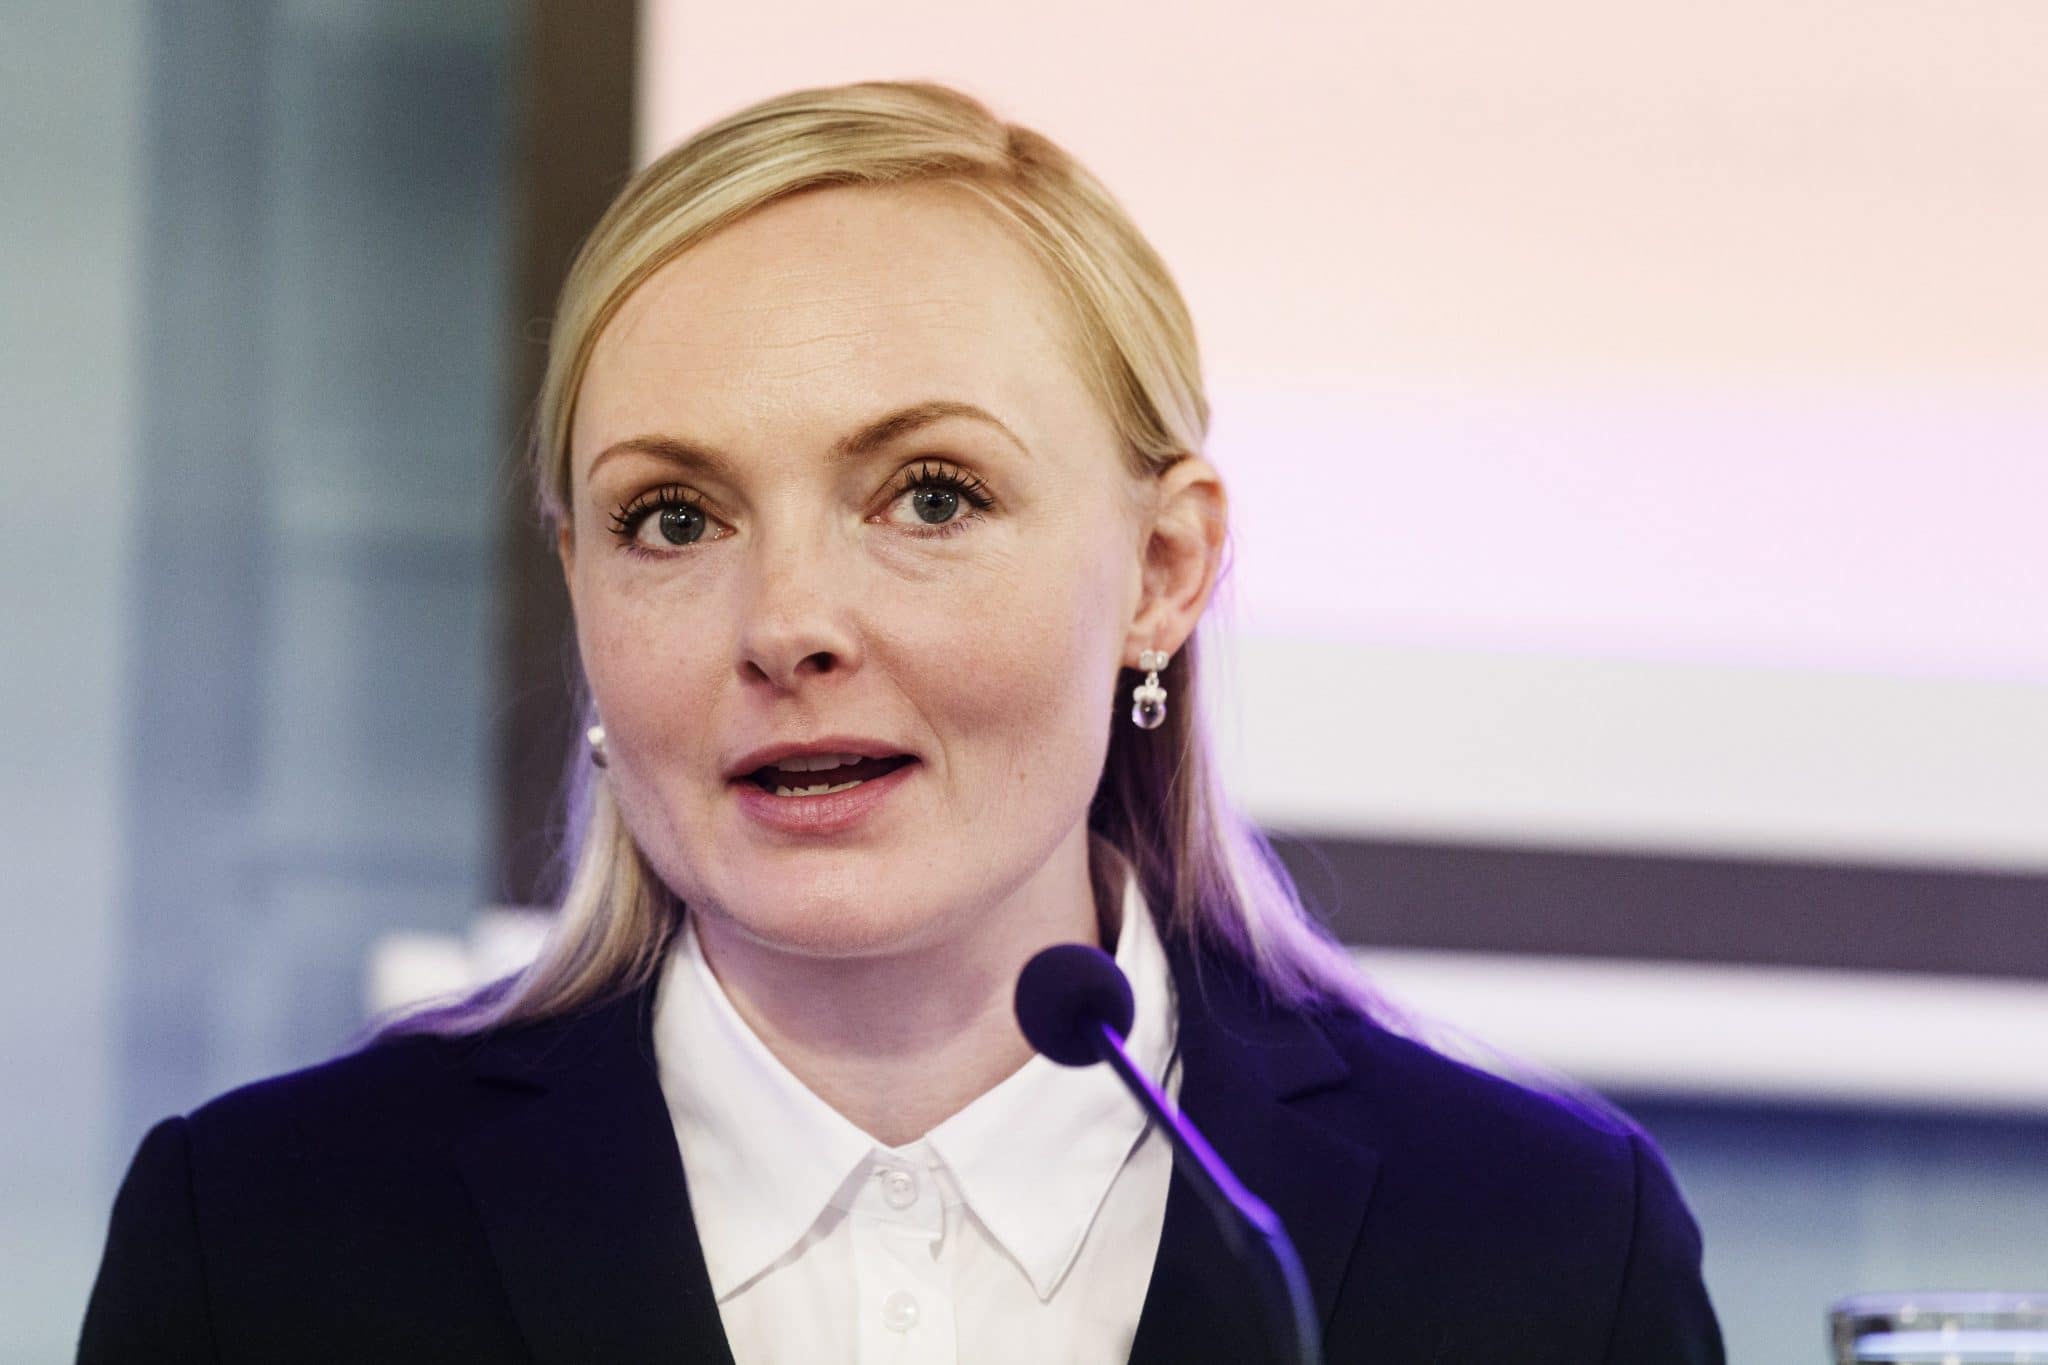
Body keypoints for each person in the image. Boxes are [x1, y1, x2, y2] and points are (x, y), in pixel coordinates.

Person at [78, 79, 1724, 1363]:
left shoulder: (1544, 1249)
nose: (786, 622)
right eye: (672, 518)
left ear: (1163, 570)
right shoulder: (266, 1245)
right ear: (579, 586)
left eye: (929, 495)